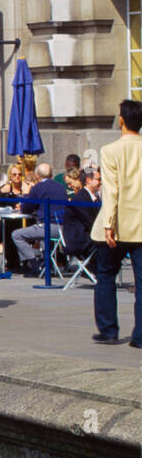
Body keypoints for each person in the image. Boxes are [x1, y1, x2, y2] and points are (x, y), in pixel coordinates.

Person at [92, 100, 142, 346]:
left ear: (121, 120)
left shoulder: (111, 150)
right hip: (141, 225)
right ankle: (141, 335)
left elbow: (111, 191)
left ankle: (109, 330)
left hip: (117, 223)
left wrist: (108, 224)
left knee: (105, 276)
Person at [12, 163, 65, 276]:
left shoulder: (38, 188)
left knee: (17, 235)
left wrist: (23, 200)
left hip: (47, 226)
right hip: (63, 228)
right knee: (41, 237)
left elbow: (26, 209)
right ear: (51, 174)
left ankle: (33, 264)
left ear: (37, 176)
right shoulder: (60, 187)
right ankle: (45, 264)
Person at [61, 167, 100, 259]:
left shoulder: (88, 195)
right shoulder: (80, 198)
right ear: (88, 180)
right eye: (99, 179)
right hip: (79, 240)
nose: (101, 182)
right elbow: (90, 221)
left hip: (84, 236)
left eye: (70, 183)